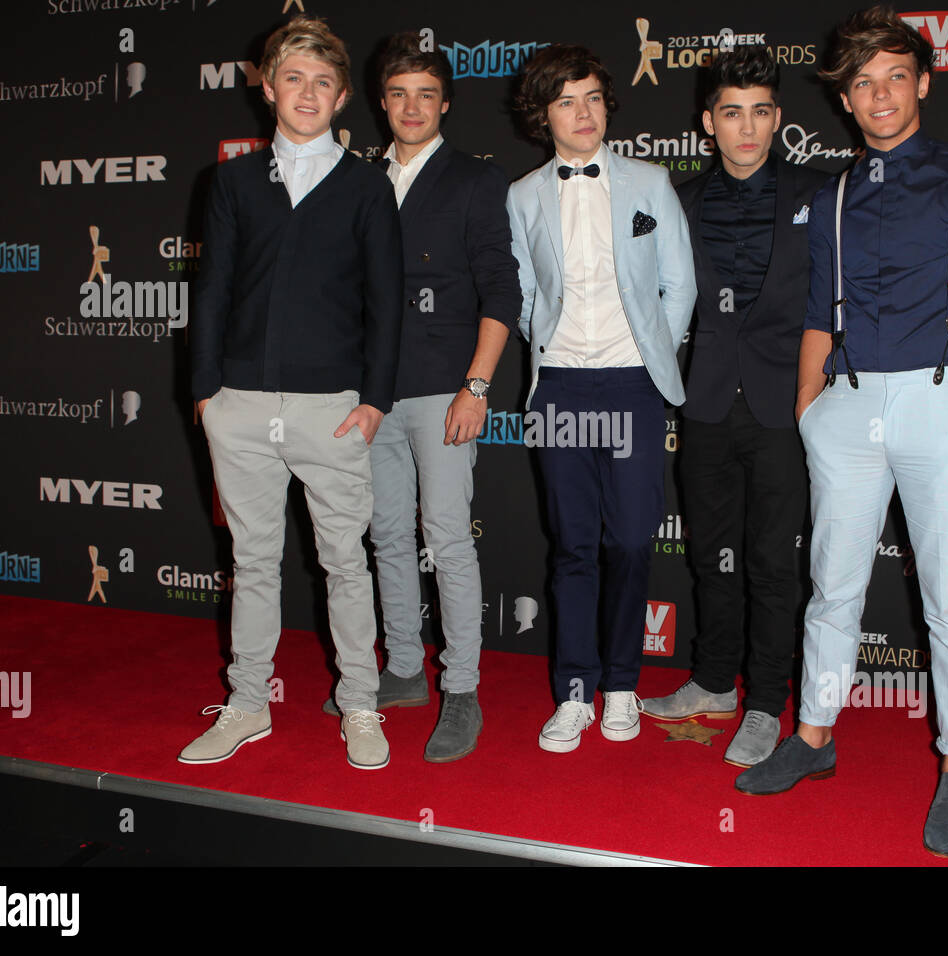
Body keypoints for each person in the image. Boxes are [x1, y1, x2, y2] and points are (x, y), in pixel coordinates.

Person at [735, 5, 948, 859]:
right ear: (847, 102)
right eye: (862, 83)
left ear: (923, 84)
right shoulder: (830, 197)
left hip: (944, 400)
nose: (879, 94)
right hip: (847, 406)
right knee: (831, 587)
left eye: (895, 75)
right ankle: (816, 735)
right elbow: (818, 318)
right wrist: (809, 407)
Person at [181, 16, 403, 771]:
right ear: (269, 86)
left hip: (332, 409)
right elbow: (210, 293)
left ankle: (362, 706)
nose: (306, 93)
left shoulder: (367, 186)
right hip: (238, 406)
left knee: (346, 563)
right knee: (253, 563)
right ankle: (247, 705)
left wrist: (374, 400)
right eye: (293, 78)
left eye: (322, 82)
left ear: (341, 97)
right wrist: (206, 393)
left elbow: (387, 299)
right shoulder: (234, 181)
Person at [321, 33, 521, 765]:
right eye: (399, 93)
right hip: (371, 393)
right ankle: (403, 669)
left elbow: (503, 289)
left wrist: (476, 385)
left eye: (426, 94)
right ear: (380, 101)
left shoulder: (476, 179)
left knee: (445, 537)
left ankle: (460, 689)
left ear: (446, 103)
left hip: (444, 390)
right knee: (384, 538)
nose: (412, 107)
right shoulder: (359, 179)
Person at [640, 46, 827, 769]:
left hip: (787, 406)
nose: (745, 128)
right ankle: (715, 682)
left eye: (758, 112)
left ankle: (764, 704)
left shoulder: (819, 195)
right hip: (707, 404)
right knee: (711, 558)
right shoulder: (676, 204)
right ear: (707, 123)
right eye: (730, 113)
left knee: (771, 563)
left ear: (776, 118)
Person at [505, 44, 695, 752]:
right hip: (559, 388)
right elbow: (524, 293)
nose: (582, 113)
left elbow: (681, 285)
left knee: (631, 540)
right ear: (542, 114)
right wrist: (552, 350)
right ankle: (576, 693)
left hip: (632, 385)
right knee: (574, 546)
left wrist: (649, 360)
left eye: (591, 97)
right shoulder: (523, 195)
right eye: (565, 100)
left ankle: (622, 685)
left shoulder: (650, 182)